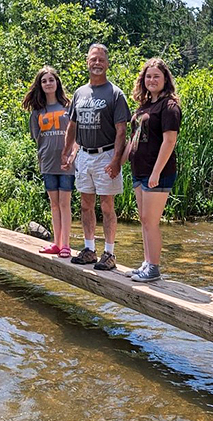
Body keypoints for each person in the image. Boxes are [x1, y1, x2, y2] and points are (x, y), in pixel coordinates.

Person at [61, 44, 130, 270]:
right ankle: (89, 249)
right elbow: (72, 126)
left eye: (101, 59)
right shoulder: (80, 93)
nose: (97, 63)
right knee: (85, 204)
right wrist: (67, 150)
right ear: (87, 62)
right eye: (93, 59)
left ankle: (109, 253)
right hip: (84, 156)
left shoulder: (115, 94)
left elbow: (122, 131)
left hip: (106, 155)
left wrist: (116, 160)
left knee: (107, 205)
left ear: (107, 63)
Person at [122, 58, 181, 282]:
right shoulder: (145, 106)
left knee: (151, 221)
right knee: (144, 219)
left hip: (158, 172)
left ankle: (154, 268)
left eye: (157, 76)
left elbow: (169, 142)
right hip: (140, 170)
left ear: (165, 79)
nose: (152, 80)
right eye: (148, 76)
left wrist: (156, 172)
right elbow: (133, 138)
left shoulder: (169, 106)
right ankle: (147, 263)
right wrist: (119, 162)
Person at [23, 65, 77, 258]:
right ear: (40, 85)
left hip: (66, 163)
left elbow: (76, 135)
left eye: (51, 80)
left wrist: (72, 155)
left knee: (65, 203)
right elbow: (36, 137)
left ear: (57, 82)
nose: (48, 83)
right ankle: (56, 243)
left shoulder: (68, 106)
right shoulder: (37, 111)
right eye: (44, 81)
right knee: (54, 204)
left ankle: (66, 245)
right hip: (47, 162)